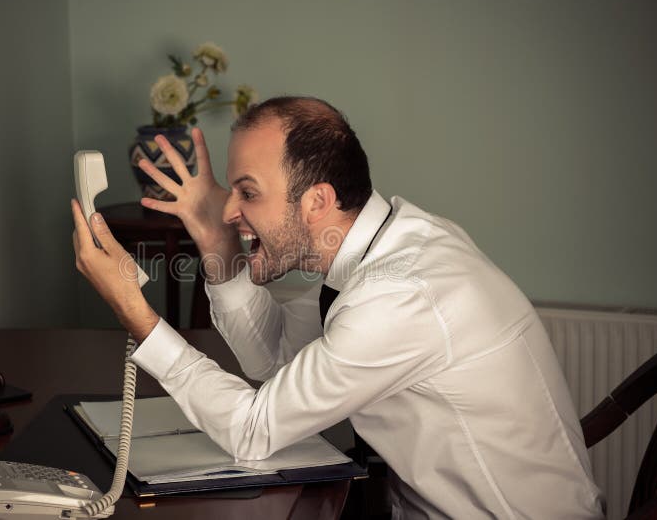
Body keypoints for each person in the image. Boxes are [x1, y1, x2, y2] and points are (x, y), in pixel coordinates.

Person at [71, 96, 605, 519]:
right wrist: (217, 243)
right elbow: (274, 360)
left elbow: (253, 431)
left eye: (248, 193)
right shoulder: (380, 249)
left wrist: (137, 314)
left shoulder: (398, 295)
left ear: (317, 201)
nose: (230, 209)